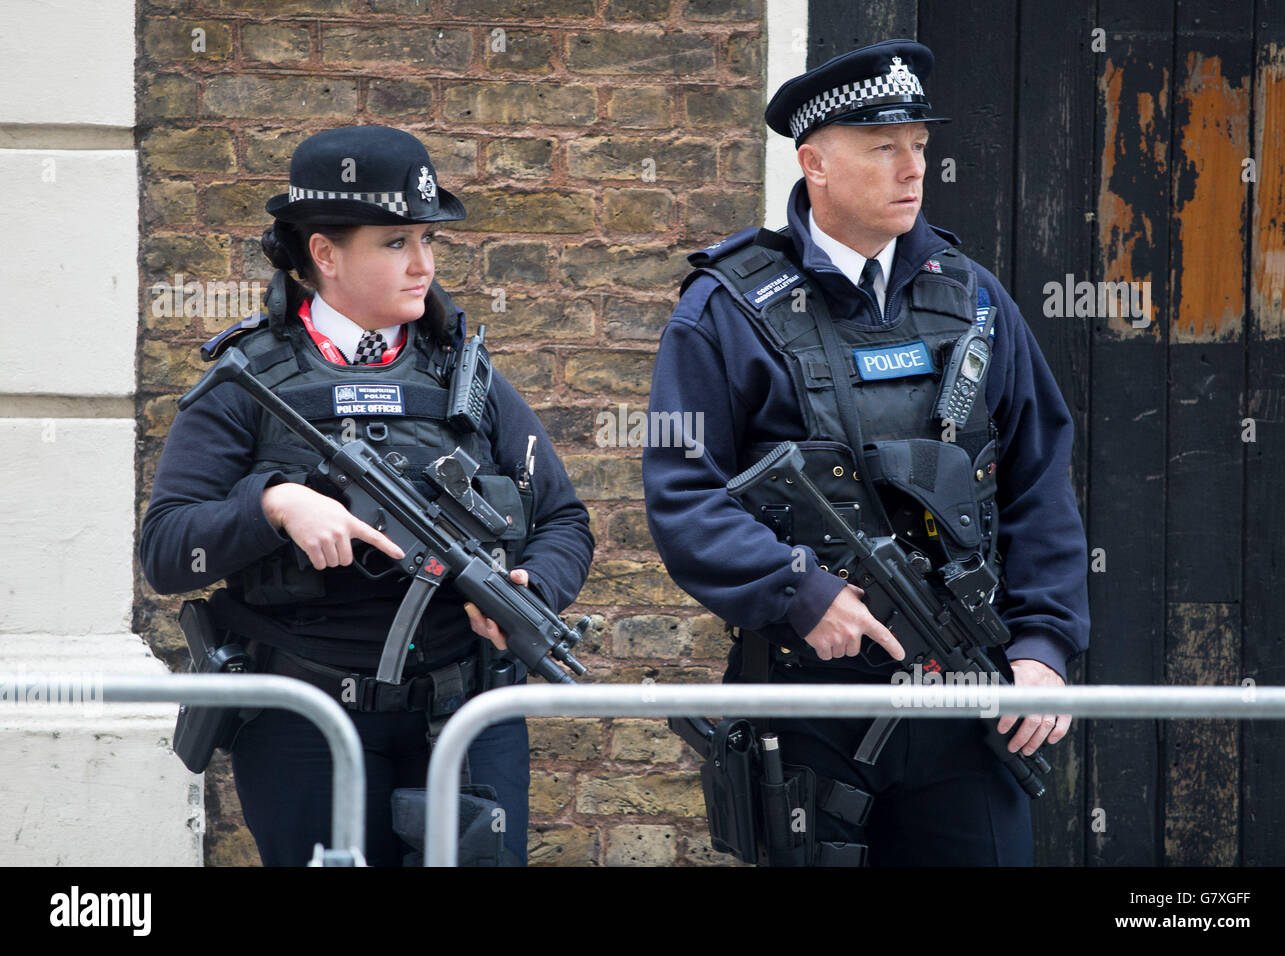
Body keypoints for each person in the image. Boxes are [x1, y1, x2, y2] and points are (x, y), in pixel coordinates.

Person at [643, 40, 1089, 866]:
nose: (910, 168)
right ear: (814, 161)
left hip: (968, 700)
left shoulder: (976, 298)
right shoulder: (726, 311)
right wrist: (796, 590)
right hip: (812, 704)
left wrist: (1043, 648)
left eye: (919, 146)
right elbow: (683, 494)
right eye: (883, 147)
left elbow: (1036, 481)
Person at [140, 125, 594, 866]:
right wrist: (274, 506)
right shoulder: (247, 381)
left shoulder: (466, 378)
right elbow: (166, 550)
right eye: (395, 242)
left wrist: (530, 585)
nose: (424, 264)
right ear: (324, 253)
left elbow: (564, 520)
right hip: (309, 721)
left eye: (427, 240)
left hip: (464, 712)